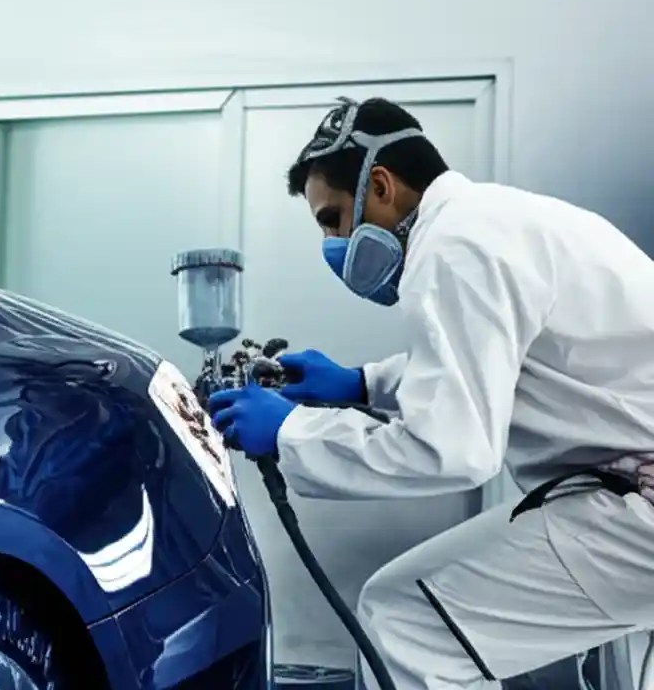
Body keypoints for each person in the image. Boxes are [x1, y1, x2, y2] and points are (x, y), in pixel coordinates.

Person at [209, 97, 654, 689]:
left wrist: (289, 433)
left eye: (333, 219)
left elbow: (451, 448)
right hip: (627, 492)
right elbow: (498, 360)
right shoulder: (499, 220)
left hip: (636, 506)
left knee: (405, 620)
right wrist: (362, 383)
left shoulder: (452, 246)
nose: (333, 242)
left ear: (381, 186)